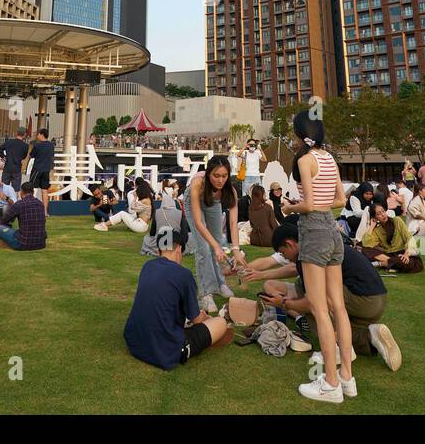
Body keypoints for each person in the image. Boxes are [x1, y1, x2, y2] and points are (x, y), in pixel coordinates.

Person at [250, 222, 401, 372]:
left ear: (290, 244)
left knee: (313, 299)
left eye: (284, 253)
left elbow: (312, 303)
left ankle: (332, 349)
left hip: (363, 300)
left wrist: (283, 303)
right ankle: (370, 335)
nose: (286, 258)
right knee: (346, 331)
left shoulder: (306, 256)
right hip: (376, 298)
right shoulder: (315, 243)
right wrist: (261, 275)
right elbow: (293, 268)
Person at [279, 110, 357, 403]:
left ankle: (331, 384)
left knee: (319, 308)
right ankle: (347, 377)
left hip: (314, 231)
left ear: (300, 134)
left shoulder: (304, 159)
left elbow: (309, 204)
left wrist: (289, 209)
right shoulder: (328, 158)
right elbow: (340, 199)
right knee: (338, 307)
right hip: (333, 230)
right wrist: (314, 204)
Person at [124, 226, 231, 370]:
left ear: (159, 250)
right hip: (164, 350)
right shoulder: (184, 275)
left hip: (134, 341)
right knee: (220, 323)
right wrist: (204, 317)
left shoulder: (147, 266)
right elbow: (196, 320)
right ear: (179, 249)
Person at [184, 155, 243, 314]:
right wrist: (216, 247)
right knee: (203, 248)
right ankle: (205, 293)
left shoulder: (230, 191)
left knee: (218, 239)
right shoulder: (198, 183)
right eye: (216, 175)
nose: (220, 180)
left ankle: (220, 283)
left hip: (213, 202)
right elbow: (198, 222)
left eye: (224, 176)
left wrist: (236, 250)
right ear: (208, 173)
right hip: (194, 201)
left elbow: (232, 223)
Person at [361, 205, 422, 273]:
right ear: (375, 218)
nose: (383, 215)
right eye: (378, 214)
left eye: (383, 211)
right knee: (365, 250)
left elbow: (409, 238)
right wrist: (372, 226)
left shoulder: (397, 221)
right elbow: (366, 244)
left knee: (413, 264)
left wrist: (406, 254)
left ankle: (382, 263)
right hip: (389, 255)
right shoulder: (377, 230)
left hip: (403, 253)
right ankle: (392, 262)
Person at [0, 185, 47, 251]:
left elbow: (4, 220)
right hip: (41, 244)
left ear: (21, 192)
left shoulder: (19, 204)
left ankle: (2, 243)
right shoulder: (41, 204)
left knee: (0, 229)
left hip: (23, 244)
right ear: (33, 192)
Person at [30, 128, 56, 206]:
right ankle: (45, 211)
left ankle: (32, 208)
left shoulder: (37, 145)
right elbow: (52, 156)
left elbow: (32, 155)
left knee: (33, 189)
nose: (37, 136)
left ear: (41, 135)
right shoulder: (51, 145)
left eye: (38, 134)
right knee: (44, 190)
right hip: (46, 170)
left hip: (37, 169)